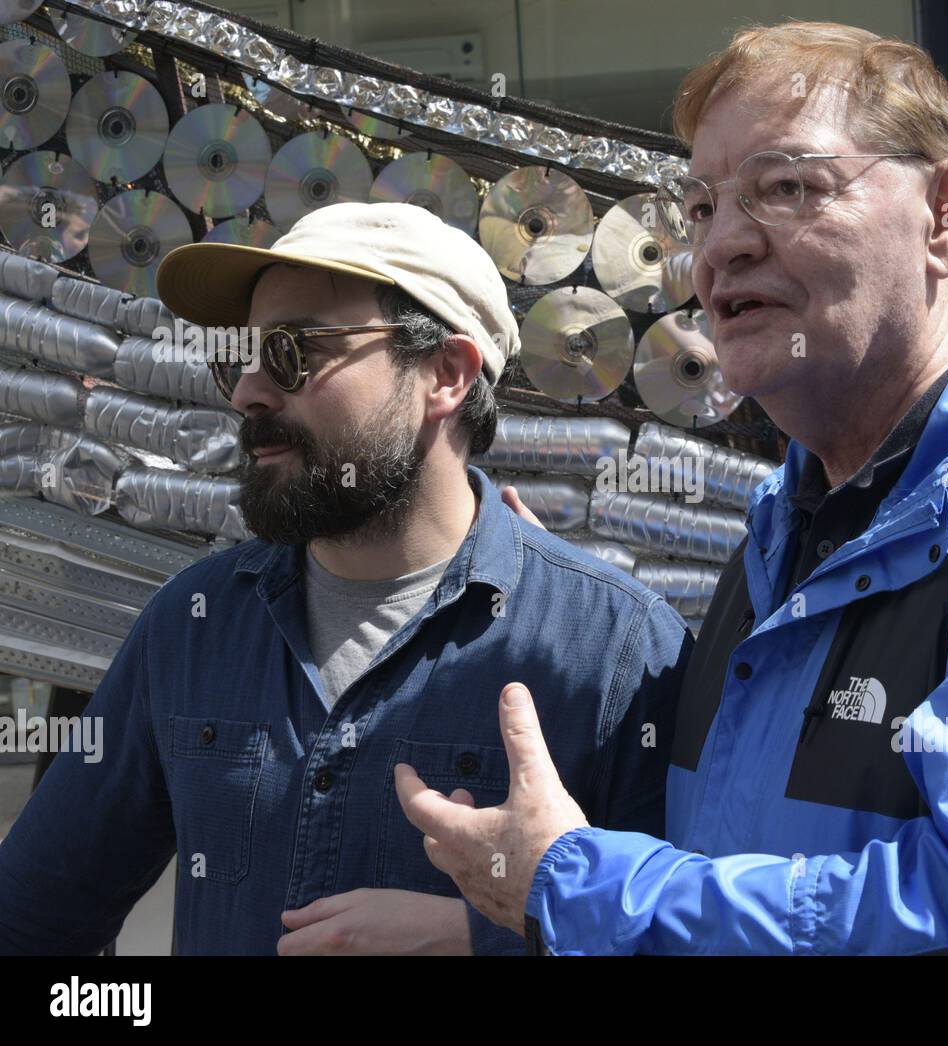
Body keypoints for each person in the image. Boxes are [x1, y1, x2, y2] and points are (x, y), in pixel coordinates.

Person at [396, 22, 948, 955]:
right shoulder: (786, 533)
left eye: (786, 187)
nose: (720, 245)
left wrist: (577, 890)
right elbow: (734, 863)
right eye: (698, 207)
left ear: (947, 215)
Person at [0, 202, 692, 955]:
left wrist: (492, 937)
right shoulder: (193, 627)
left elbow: (678, 938)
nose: (248, 392)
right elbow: (34, 920)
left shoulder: (616, 651)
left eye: (294, 353)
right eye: (241, 357)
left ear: (445, 375)